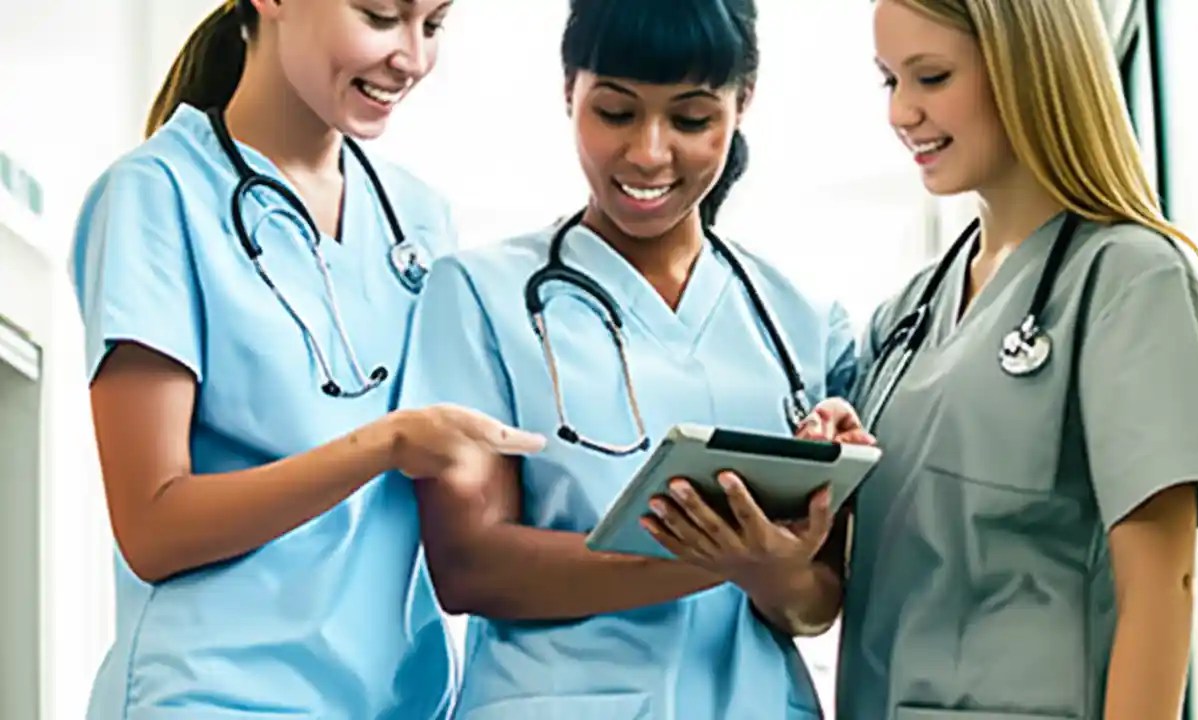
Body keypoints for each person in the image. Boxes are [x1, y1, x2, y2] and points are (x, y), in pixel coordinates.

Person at [70, 1, 544, 717]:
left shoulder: (420, 220)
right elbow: (152, 528)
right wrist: (382, 445)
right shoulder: (158, 194)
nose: (411, 58)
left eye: (433, 24)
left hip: (402, 700)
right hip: (216, 696)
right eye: (381, 15)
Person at [396, 0, 860, 717]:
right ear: (568, 93)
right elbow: (470, 569)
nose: (649, 153)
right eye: (615, 113)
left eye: (691, 118)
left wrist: (773, 568)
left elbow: (814, 604)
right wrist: (718, 559)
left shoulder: (799, 321)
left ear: (744, 102)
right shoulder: (481, 296)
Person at [800, 1, 1198, 718]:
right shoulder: (908, 312)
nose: (901, 113)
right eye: (889, 82)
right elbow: (853, 575)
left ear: (1028, 66)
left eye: (931, 78)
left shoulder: (1127, 280)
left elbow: (1163, 589)